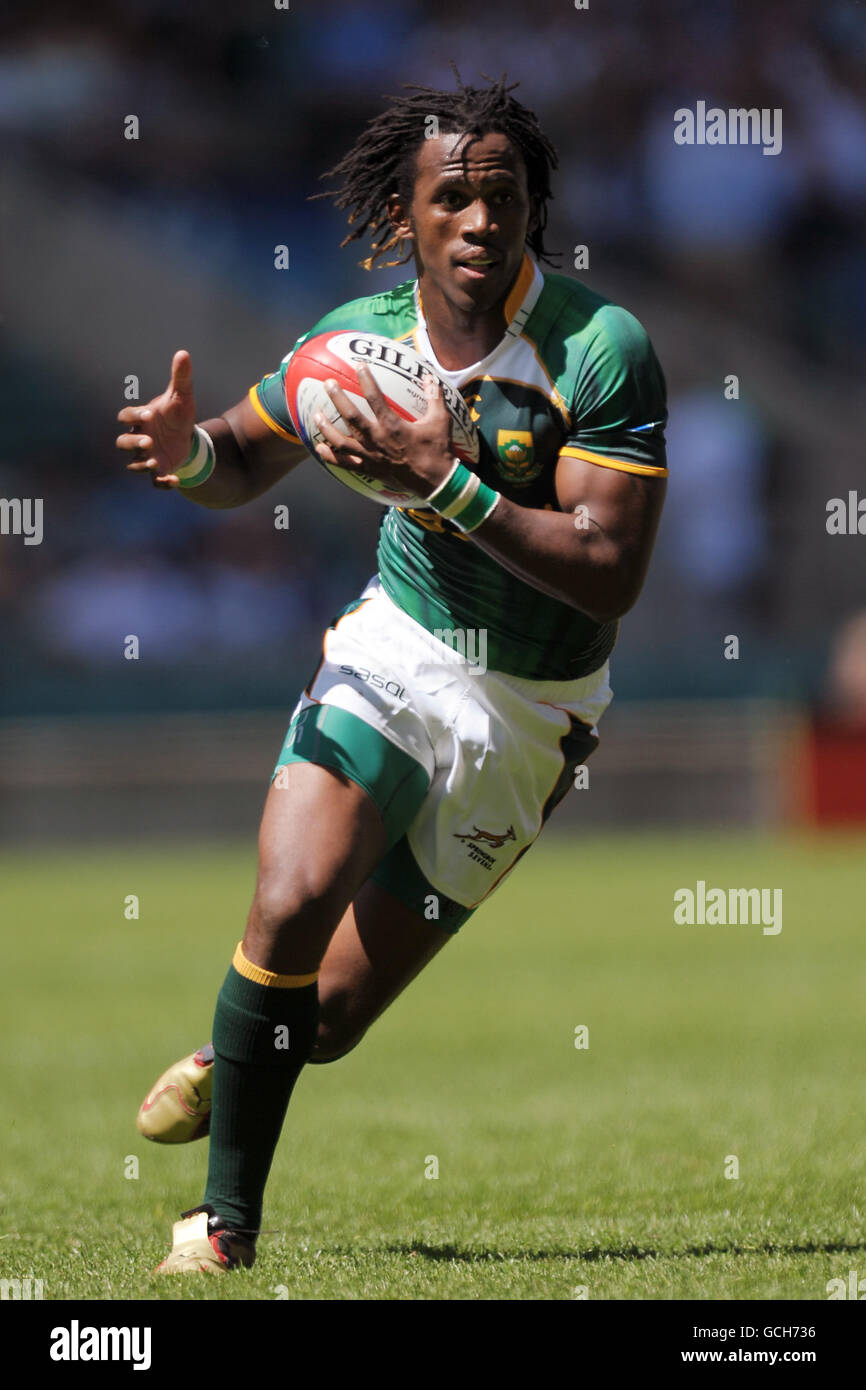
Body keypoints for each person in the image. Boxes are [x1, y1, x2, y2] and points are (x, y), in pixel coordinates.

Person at [118, 75, 668, 1275]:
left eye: (502, 196)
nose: (479, 220)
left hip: (527, 710)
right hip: (397, 646)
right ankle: (221, 1229)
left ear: (532, 207)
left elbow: (607, 572)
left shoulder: (599, 349)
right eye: (451, 198)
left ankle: (232, 1057)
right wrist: (185, 454)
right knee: (289, 904)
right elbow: (240, 456)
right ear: (402, 215)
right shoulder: (353, 344)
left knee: (323, 1018)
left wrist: (447, 483)